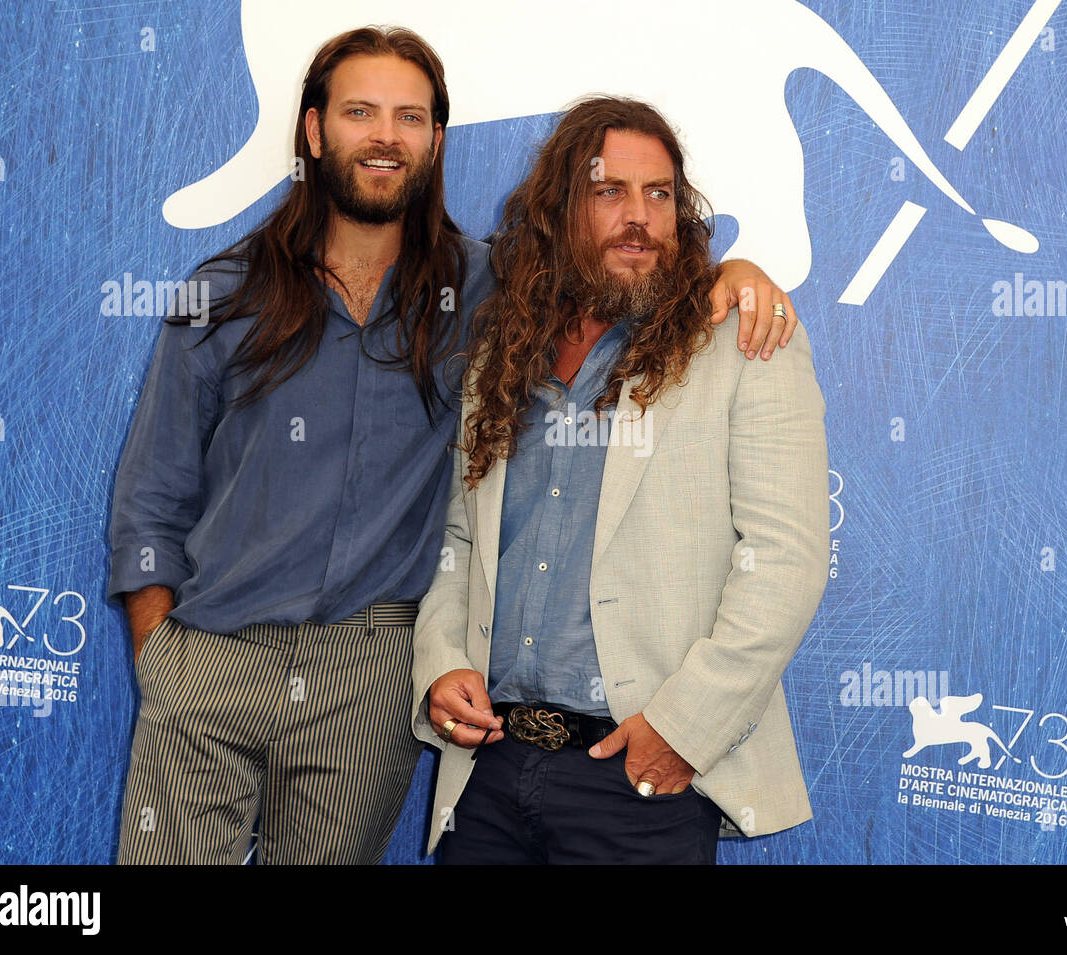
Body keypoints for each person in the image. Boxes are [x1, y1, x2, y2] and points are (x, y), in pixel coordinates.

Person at [109, 27, 798, 864]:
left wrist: (737, 270)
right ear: (315, 130)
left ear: (436, 141)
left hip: (368, 673)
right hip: (211, 654)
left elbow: (616, 251)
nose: (385, 136)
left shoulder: (486, 289)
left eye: (409, 116)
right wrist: (167, 664)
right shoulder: (216, 297)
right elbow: (152, 495)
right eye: (361, 111)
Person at [412, 96, 829, 864]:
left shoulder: (741, 341)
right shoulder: (501, 353)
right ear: (560, 212)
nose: (638, 216)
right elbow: (458, 541)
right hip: (493, 771)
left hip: (639, 780)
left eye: (659, 194)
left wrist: (682, 729)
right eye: (609, 192)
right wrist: (442, 664)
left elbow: (787, 563)